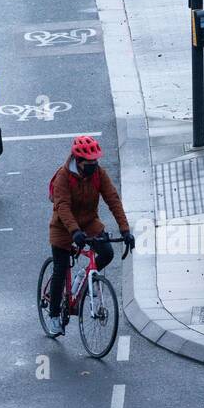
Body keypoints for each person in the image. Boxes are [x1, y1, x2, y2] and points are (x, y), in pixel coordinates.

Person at [46, 135, 135, 337]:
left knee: (107, 252)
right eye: (89, 163)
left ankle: (84, 275)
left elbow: (112, 199)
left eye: (96, 161)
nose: (94, 165)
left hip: (88, 223)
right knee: (60, 269)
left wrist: (125, 230)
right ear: (78, 161)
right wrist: (74, 231)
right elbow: (62, 206)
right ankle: (53, 316)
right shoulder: (64, 176)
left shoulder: (98, 174)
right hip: (63, 226)